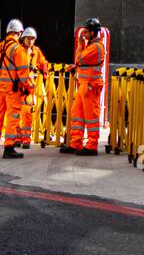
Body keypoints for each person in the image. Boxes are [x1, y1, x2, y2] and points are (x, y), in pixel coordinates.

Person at [0, 19, 33, 158]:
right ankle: (9, 148)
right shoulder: (18, 50)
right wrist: (29, 88)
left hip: (0, 88)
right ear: (19, 33)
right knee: (13, 117)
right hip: (13, 90)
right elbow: (23, 74)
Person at [59, 17, 104, 156]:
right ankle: (75, 143)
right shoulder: (91, 46)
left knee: (91, 117)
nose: (83, 34)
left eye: (86, 31)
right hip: (84, 87)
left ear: (93, 32)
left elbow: (80, 58)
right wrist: (76, 67)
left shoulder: (96, 47)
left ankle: (92, 146)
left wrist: (79, 44)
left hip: (90, 87)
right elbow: (83, 63)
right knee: (77, 114)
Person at [18, 27, 50, 149]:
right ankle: (16, 138)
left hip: (28, 88)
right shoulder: (18, 50)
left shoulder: (36, 51)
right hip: (18, 86)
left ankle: (26, 140)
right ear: (23, 38)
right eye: (28, 38)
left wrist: (45, 71)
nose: (31, 41)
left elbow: (43, 62)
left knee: (26, 114)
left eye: (33, 39)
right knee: (15, 114)